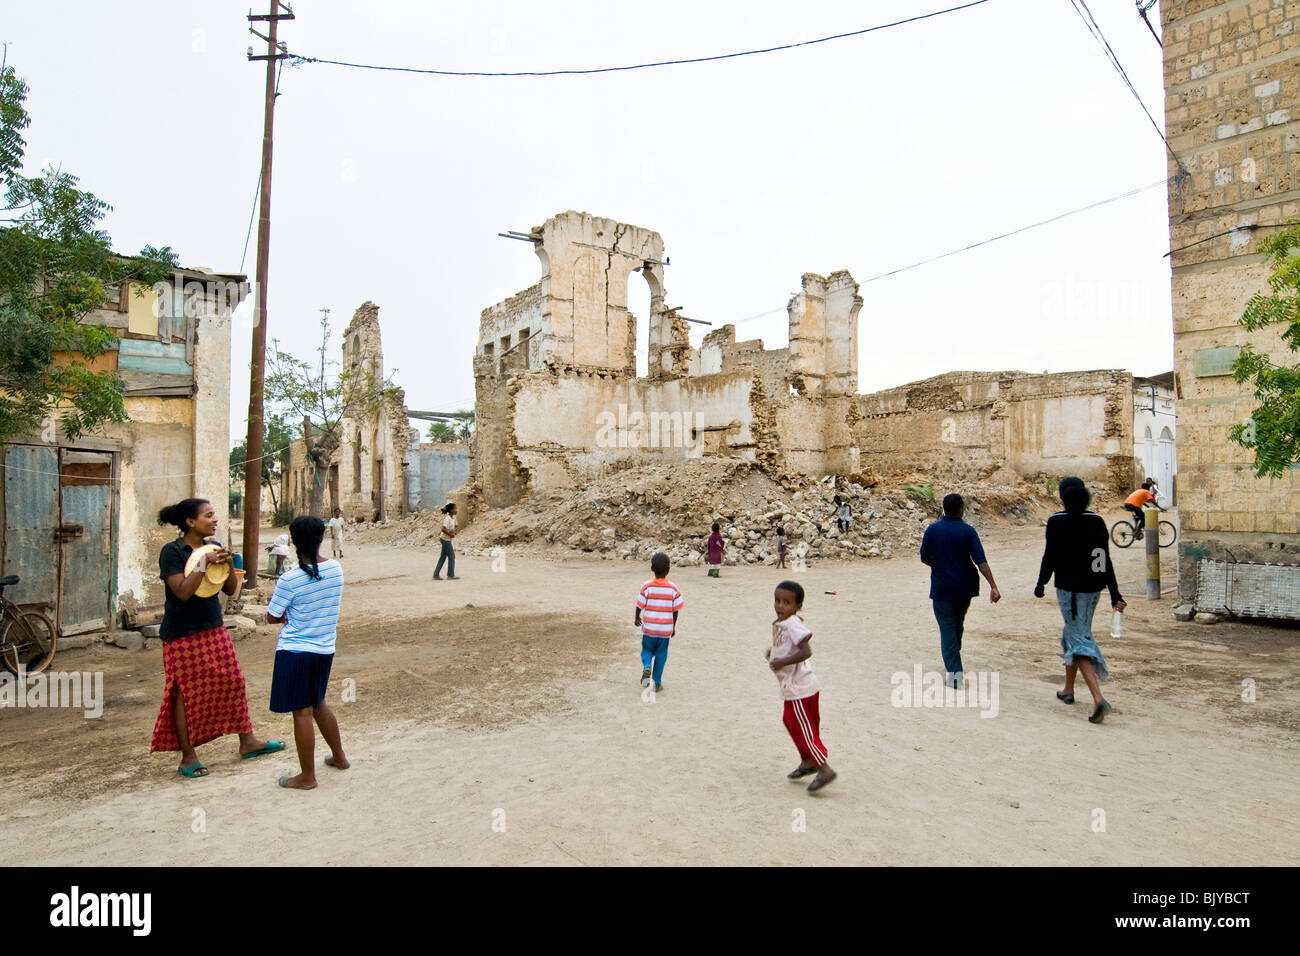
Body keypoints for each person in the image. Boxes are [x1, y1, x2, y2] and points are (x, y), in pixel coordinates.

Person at [150, 498, 284, 778]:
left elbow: (232, 590)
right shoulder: (172, 552)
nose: (214, 520)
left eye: (214, 515)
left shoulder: (212, 547)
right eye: (208, 515)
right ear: (190, 522)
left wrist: (228, 562)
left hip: (213, 627)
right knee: (184, 694)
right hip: (181, 634)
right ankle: (188, 757)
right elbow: (183, 593)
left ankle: (247, 741)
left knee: (234, 681)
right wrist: (202, 563)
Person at [266, 516, 350, 790]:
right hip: (324, 649)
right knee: (319, 704)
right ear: (321, 538)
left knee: (301, 712)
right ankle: (339, 757)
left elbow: (271, 616)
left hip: (295, 651)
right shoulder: (336, 570)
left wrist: (290, 615)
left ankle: (307, 777)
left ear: (293, 542)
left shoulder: (289, 580)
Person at [1035, 477, 1126, 724]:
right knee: (1072, 634)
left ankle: (1098, 698)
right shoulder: (1096, 522)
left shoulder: (1056, 522)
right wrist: (1115, 593)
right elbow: (1102, 559)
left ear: (1062, 499)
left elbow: (1050, 556)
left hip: (1069, 591)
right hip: (1093, 590)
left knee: (1077, 638)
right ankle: (1068, 689)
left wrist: (1041, 582)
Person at [919, 493, 1001, 687]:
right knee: (957, 624)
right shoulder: (968, 531)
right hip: (965, 586)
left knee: (947, 627)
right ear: (961, 509)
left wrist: (939, 565)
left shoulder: (932, 530)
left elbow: (924, 557)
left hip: (942, 587)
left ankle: (954, 673)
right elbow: (980, 561)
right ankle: (954, 662)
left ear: (944, 508)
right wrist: (993, 585)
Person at [766, 580, 836, 792]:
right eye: (777, 601)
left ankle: (823, 767)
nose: (780, 606)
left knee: (802, 727)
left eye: (787, 603)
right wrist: (774, 654)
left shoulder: (793, 623)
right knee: (792, 722)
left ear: (797, 606)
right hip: (796, 687)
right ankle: (808, 761)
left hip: (800, 688)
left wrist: (781, 661)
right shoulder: (784, 623)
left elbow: (806, 651)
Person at [635, 552, 683, 692]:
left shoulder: (646, 586)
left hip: (649, 628)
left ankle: (647, 666)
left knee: (647, 650)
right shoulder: (673, 588)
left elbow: (639, 605)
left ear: (651, 568)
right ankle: (656, 682)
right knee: (661, 654)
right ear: (668, 569)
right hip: (664, 630)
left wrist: (637, 617)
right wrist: (673, 627)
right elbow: (676, 610)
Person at [433, 502, 459, 580]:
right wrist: (450, 534)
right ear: (451, 510)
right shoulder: (447, 518)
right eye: (455, 509)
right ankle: (450, 575)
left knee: (443, 557)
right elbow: (443, 528)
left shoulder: (452, 518)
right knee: (451, 556)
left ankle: (436, 574)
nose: (457, 510)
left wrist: (453, 532)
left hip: (446, 539)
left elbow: (449, 528)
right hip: (445, 540)